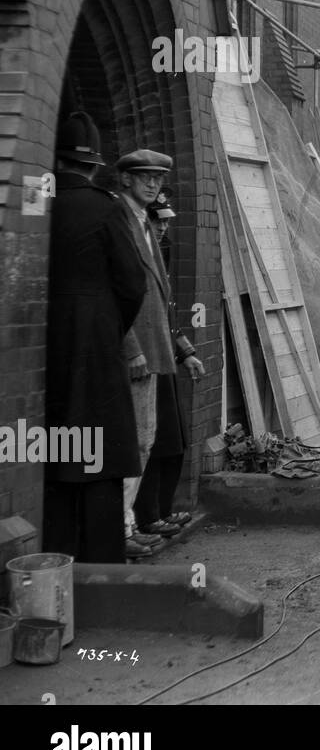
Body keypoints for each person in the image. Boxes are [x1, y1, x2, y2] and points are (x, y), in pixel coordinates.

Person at [42, 113, 147, 564]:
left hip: (45, 346)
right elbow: (132, 284)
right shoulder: (106, 206)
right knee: (101, 451)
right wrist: (108, 327)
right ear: (93, 165)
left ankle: (57, 555)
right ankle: (101, 560)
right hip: (96, 344)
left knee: (56, 450)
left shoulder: (35, 200)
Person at [116, 148, 179, 558]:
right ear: (125, 179)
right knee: (134, 440)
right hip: (133, 352)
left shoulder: (142, 222)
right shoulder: (119, 219)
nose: (153, 184)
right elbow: (116, 290)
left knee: (146, 438)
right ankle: (120, 528)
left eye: (157, 178)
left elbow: (158, 292)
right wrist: (133, 347)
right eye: (144, 177)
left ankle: (131, 521)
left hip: (152, 350)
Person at [133, 196, 204, 541]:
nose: (163, 226)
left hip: (165, 356)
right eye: (156, 220)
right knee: (151, 442)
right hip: (144, 360)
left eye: (165, 221)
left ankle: (161, 510)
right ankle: (146, 517)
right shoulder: (137, 249)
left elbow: (167, 313)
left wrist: (185, 352)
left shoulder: (164, 250)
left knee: (173, 440)